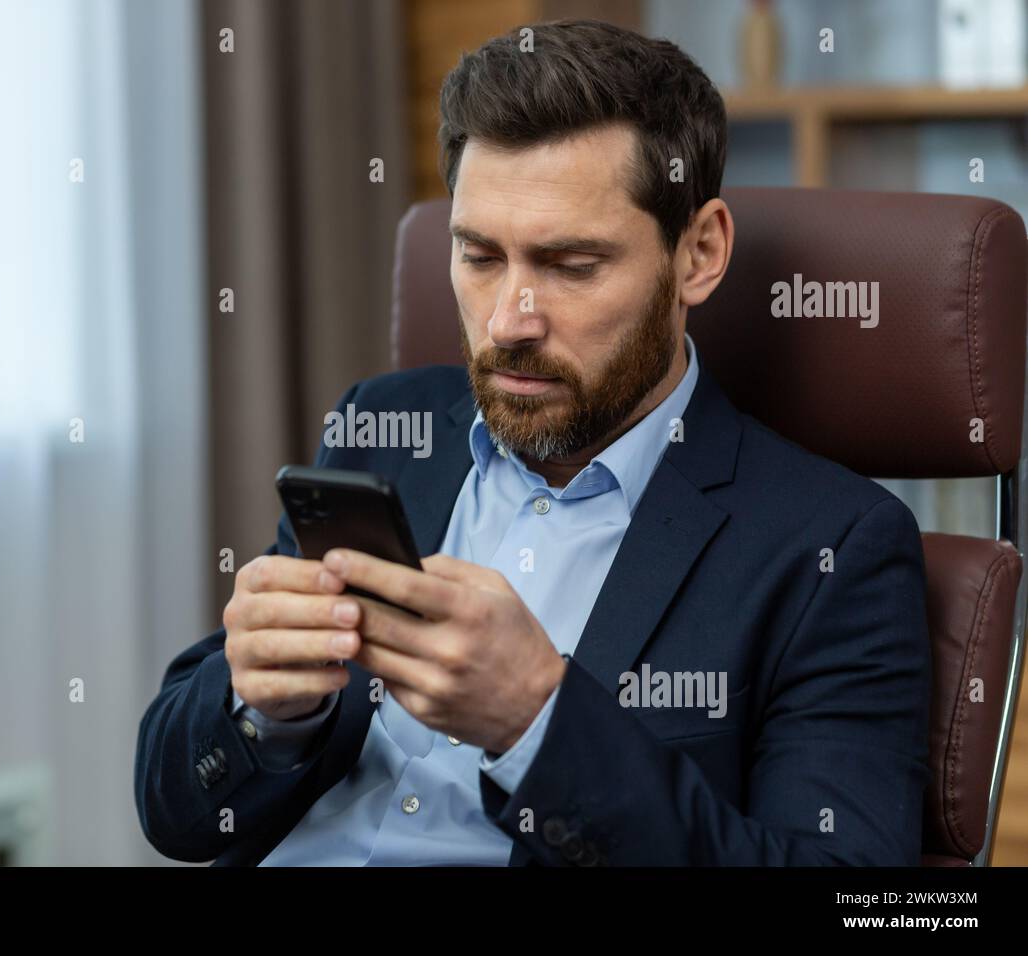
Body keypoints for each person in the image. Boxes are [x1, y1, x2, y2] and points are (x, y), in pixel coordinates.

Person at [134, 18, 930, 866]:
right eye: (480, 257)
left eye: (571, 265)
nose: (510, 321)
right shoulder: (382, 429)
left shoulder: (833, 549)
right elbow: (174, 813)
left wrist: (538, 722)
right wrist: (265, 711)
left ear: (699, 252)